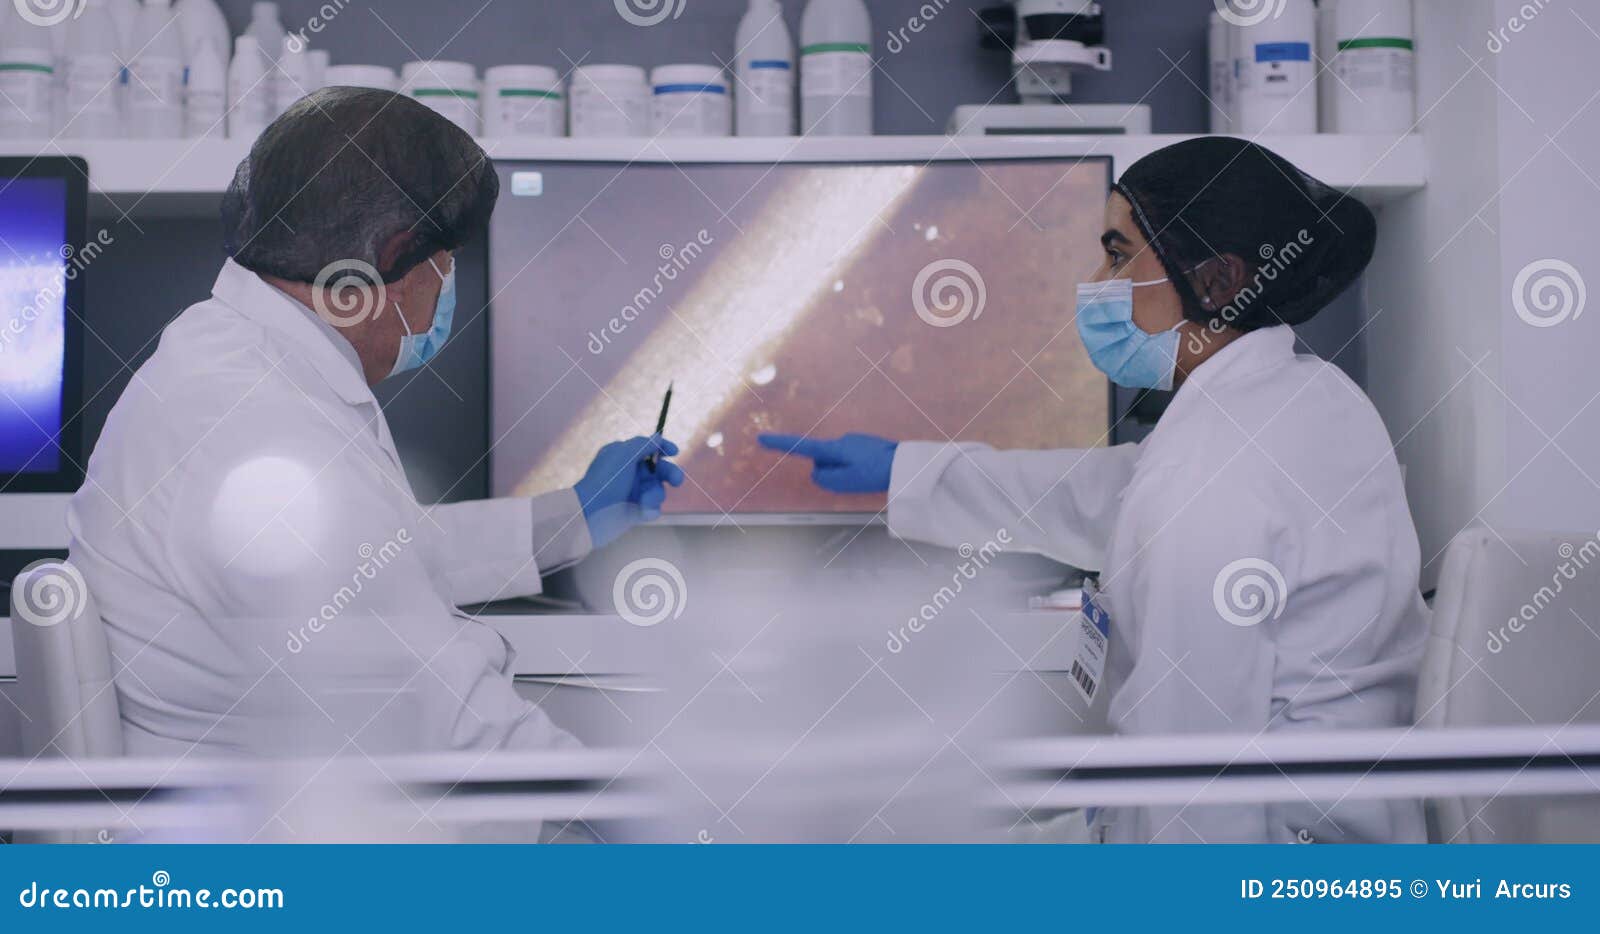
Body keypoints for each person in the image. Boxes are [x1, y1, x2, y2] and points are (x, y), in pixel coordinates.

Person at [760, 137, 1428, 844]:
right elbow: (1102, 493)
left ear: (1217, 279)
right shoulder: (1305, 396)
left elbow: (1191, 784)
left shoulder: (1210, 471)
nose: (1096, 280)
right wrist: (906, 469)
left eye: (1117, 253)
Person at [67, 89, 682, 792]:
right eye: (444, 265)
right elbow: (453, 720)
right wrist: (663, 820)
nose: (447, 290)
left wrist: (571, 515)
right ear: (387, 263)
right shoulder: (262, 430)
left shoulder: (231, 357)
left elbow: (378, 559)